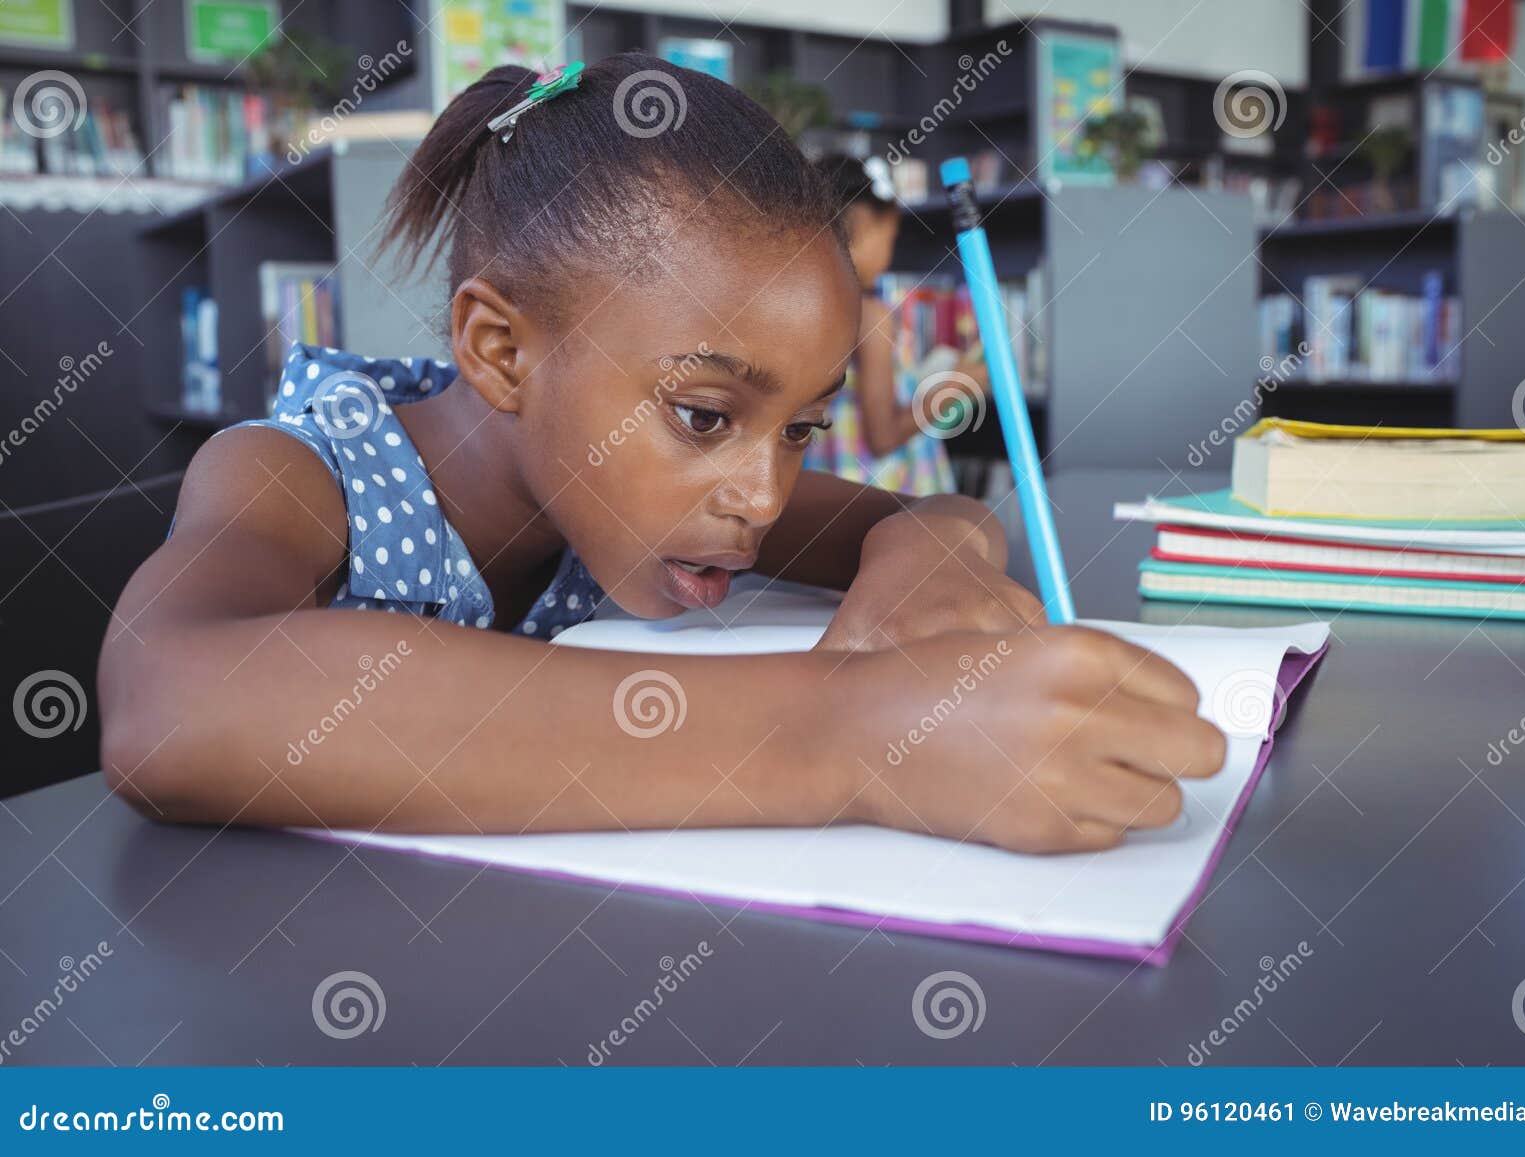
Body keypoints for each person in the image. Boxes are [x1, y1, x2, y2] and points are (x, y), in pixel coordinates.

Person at [98, 55, 1224, 852]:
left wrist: (933, 570)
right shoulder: (297, 476)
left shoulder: (662, 493)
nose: (762, 489)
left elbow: (914, 517)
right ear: (499, 349)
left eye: (802, 426)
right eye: (703, 413)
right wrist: (851, 730)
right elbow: (169, 701)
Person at [803, 154, 990, 495]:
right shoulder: (870, 314)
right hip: (878, 494)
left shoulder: (811, 309)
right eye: (889, 239)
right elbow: (883, 437)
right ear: (862, 227)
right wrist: (960, 385)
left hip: (830, 490)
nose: (888, 256)